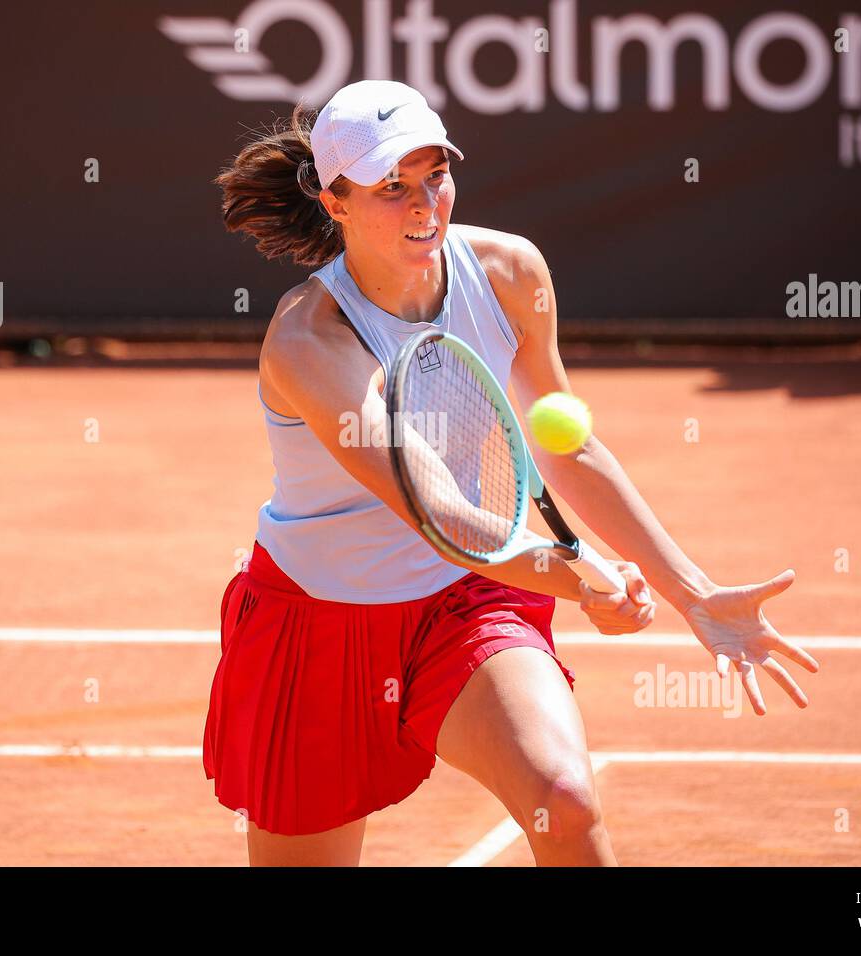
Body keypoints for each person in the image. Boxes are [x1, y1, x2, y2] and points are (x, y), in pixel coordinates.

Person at [206, 79, 818, 866]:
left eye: (435, 175)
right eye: (392, 186)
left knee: (562, 799)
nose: (424, 204)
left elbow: (569, 446)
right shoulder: (309, 341)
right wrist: (582, 578)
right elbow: (441, 512)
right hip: (320, 622)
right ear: (336, 201)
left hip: (467, 598)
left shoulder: (508, 271)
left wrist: (692, 592)